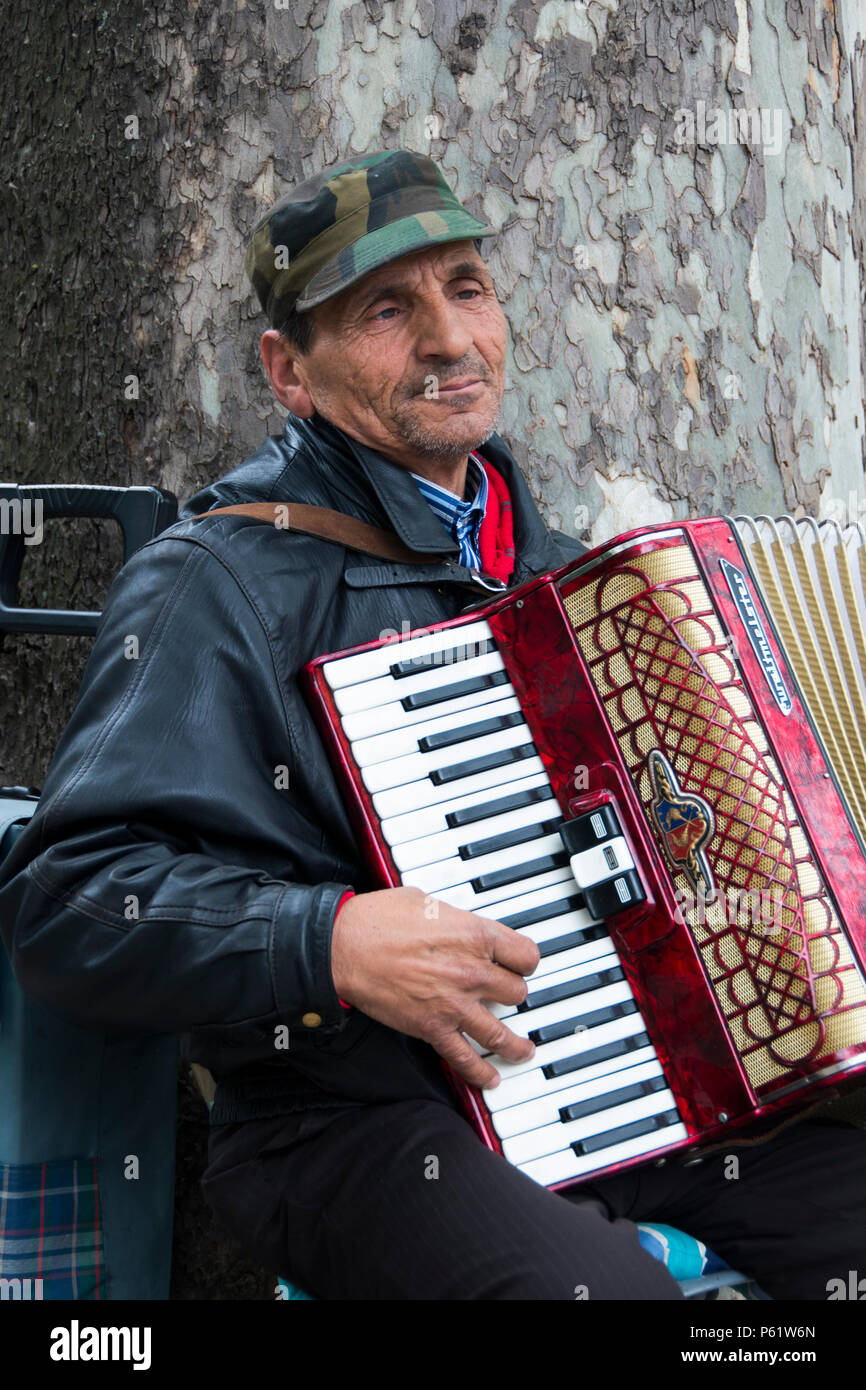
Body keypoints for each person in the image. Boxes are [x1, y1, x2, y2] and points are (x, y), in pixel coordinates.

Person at [1, 149, 864, 1301]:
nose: (450, 340)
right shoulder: (219, 581)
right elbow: (61, 904)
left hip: (640, 1103)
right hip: (346, 1121)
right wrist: (330, 939)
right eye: (385, 310)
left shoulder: (572, 587)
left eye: (466, 288)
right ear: (287, 372)